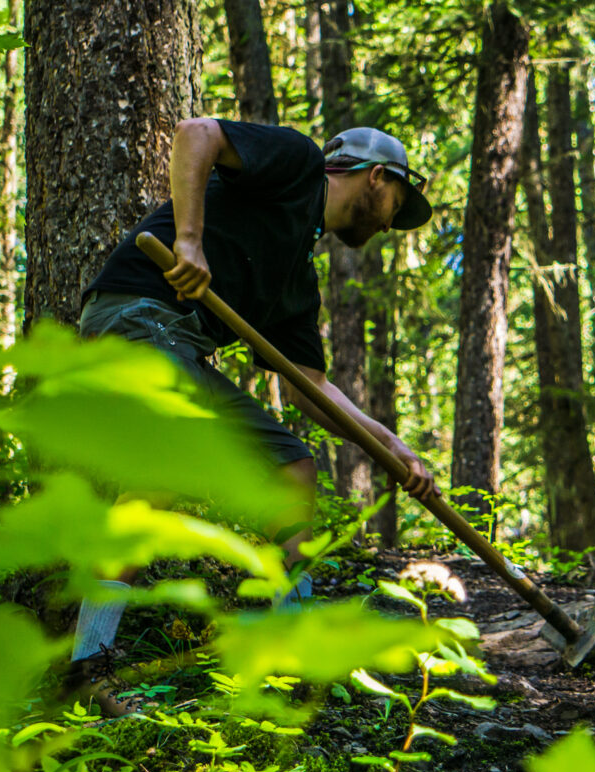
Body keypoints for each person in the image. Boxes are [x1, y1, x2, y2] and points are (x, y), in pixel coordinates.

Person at [66, 118, 439, 716]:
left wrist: (388, 445)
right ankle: (87, 665)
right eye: (399, 202)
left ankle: (294, 655)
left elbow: (308, 388)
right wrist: (189, 240)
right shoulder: (296, 164)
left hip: (179, 344)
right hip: (136, 316)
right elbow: (195, 135)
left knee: (291, 466)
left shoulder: (295, 276)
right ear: (376, 178)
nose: (395, 219)